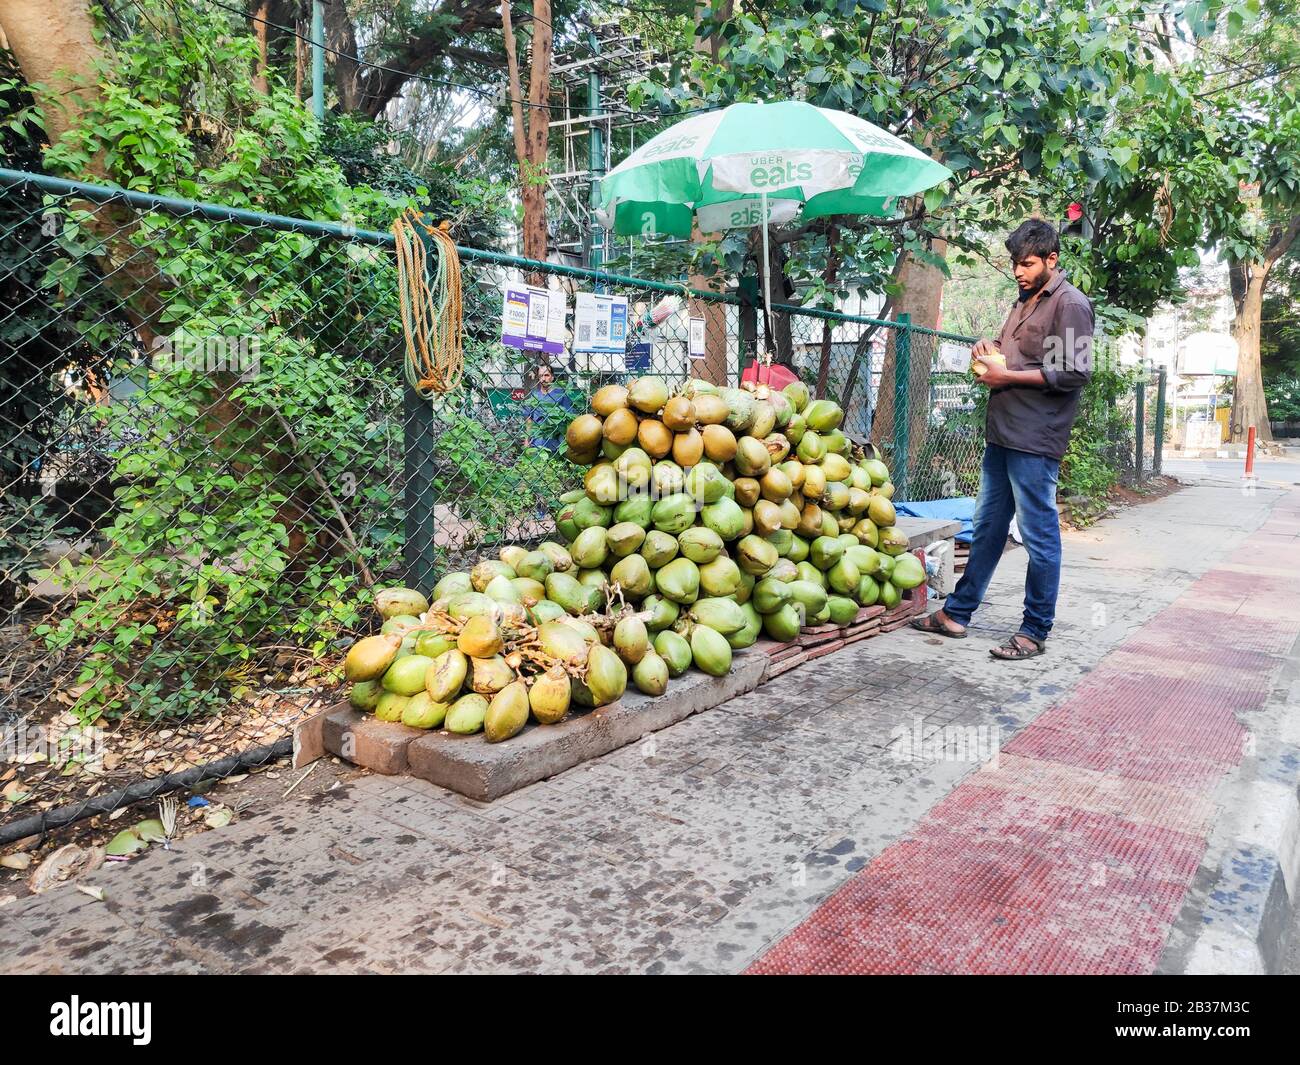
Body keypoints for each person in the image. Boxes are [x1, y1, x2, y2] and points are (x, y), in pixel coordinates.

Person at [910, 219, 1093, 660]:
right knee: (988, 529)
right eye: (1015, 263)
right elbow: (1021, 354)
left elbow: (1075, 372)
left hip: (1035, 438)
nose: (1019, 271)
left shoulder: (1070, 303)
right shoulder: (1026, 299)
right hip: (1003, 434)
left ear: (1052, 259)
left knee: (1038, 534)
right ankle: (957, 614)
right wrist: (988, 347)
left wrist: (1005, 374)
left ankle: (1034, 630)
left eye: (1027, 263)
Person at [520, 360, 574, 452]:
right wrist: (526, 441)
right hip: (537, 443)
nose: (543, 379)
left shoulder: (561, 395)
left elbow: (570, 419)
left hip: (556, 443)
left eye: (546, 375)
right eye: (541, 376)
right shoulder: (534, 396)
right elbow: (529, 419)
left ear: (552, 377)